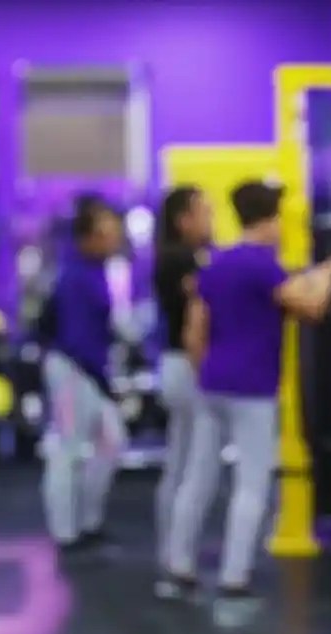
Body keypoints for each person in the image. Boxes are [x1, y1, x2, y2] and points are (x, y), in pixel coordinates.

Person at [161, 181, 331, 625]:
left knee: (198, 479)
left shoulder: (216, 265)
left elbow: (193, 333)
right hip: (252, 389)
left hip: (212, 383)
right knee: (252, 485)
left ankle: (178, 570)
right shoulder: (262, 266)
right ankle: (234, 582)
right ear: (273, 220)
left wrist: (209, 374)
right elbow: (308, 307)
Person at [38, 196, 133, 558]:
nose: (115, 240)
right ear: (87, 237)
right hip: (74, 369)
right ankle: (66, 531)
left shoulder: (94, 273)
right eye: (107, 234)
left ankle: (87, 523)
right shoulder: (76, 277)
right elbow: (77, 336)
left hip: (87, 370)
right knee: (68, 450)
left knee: (110, 442)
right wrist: (100, 377)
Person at [151, 185, 213, 573]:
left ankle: (172, 550)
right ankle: (179, 558)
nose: (211, 220)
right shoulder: (184, 260)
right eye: (204, 212)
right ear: (183, 219)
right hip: (188, 366)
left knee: (179, 463)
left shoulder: (172, 258)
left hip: (175, 365)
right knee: (194, 467)